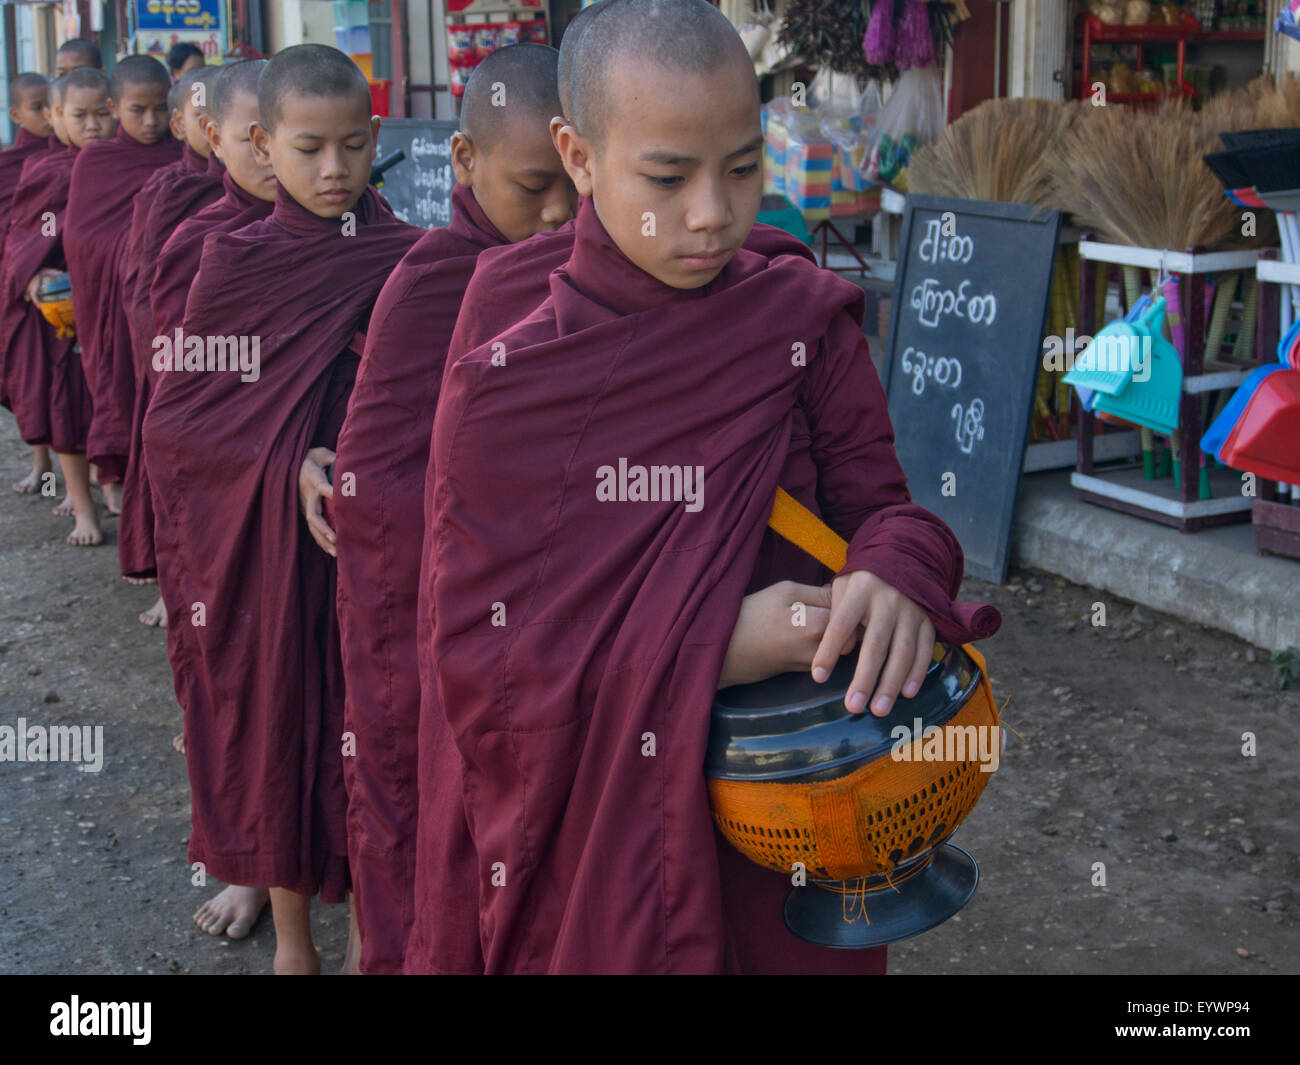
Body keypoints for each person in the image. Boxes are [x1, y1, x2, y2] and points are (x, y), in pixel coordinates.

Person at [416, 0, 1000, 975]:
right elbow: (482, 656)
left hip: (797, 800)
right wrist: (710, 647)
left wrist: (892, 577)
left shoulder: (797, 317)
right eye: (666, 176)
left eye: (741, 167)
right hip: (599, 818)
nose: (711, 214)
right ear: (578, 155)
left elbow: (888, 515)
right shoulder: (512, 354)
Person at [142, 44, 421, 975]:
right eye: (309, 150)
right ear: (264, 145)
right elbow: (180, 427)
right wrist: (285, 461)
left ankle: (375, 938)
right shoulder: (240, 261)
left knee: (379, 733)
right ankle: (294, 942)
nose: (334, 170)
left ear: (376, 136)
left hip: (378, 543)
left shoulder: (407, 253)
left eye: (351, 146)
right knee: (277, 728)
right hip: (273, 551)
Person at [318, 43, 575, 975]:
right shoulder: (437, 280)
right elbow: (382, 465)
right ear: (465, 164)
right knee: (412, 794)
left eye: (574, 187)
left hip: (532, 619)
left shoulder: (588, 276)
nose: (558, 214)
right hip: (418, 606)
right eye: (534, 186)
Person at [117, 65, 223, 625]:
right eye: (204, 121)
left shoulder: (274, 191)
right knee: (175, 469)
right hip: (177, 355)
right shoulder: (171, 190)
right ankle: (170, 578)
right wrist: (164, 357)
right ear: (185, 126)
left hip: (237, 368)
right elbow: (141, 285)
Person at [64, 55, 177, 517]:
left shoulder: (184, 155)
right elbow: (80, 237)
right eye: (137, 110)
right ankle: (118, 483)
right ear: (115, 107)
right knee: (120, 391)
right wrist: (135, 251)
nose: (152, 121)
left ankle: (154, 498)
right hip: (115, 303)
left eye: (160, 109)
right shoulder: (97, 161)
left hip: (165, 305)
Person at [1, 72, 54, 494]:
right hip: (21, 280)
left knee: (67, 382)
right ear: (17, 114)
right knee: (31, 379)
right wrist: (25, 268)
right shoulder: (9, 165)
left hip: (64, 283)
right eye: (37, 108)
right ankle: (41, 465)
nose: (48, 116)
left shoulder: (69, 155)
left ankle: (86, 472)